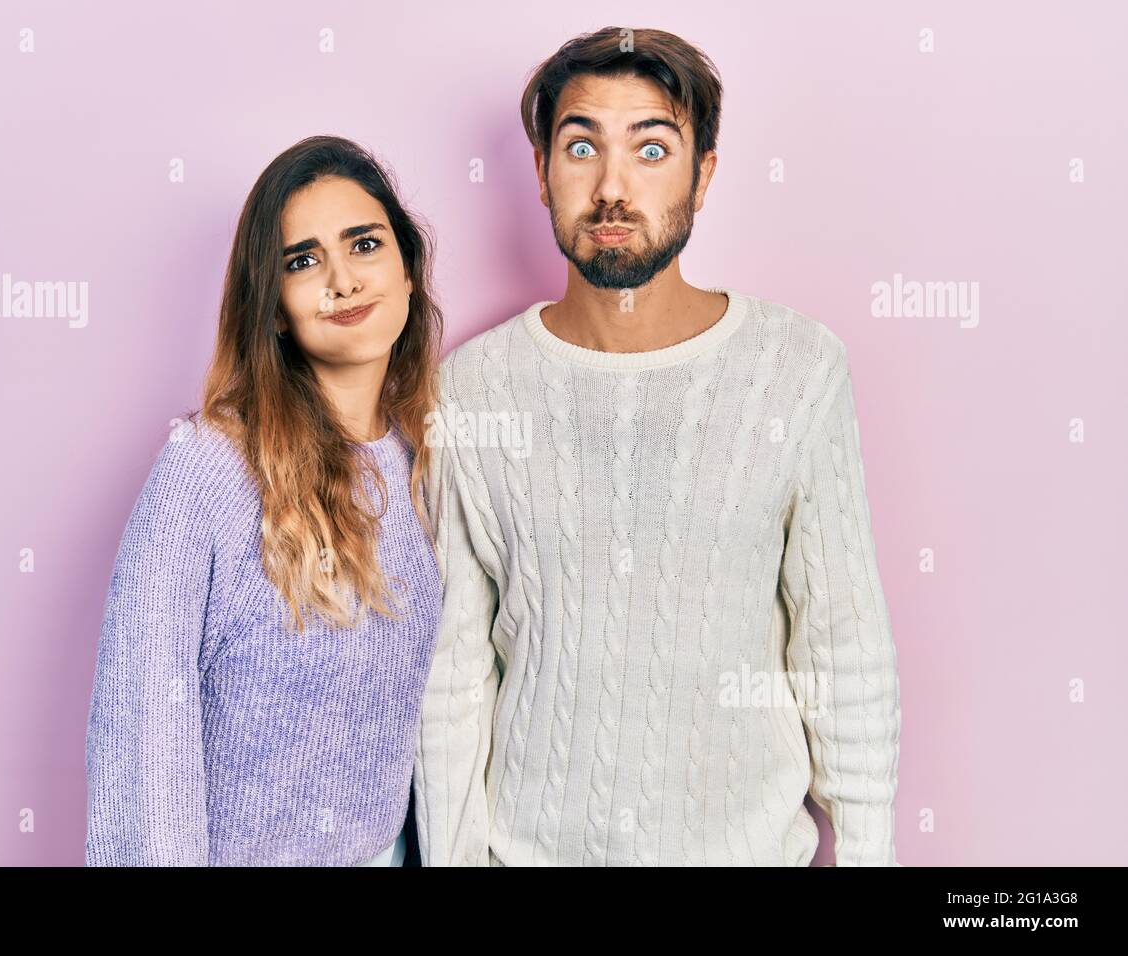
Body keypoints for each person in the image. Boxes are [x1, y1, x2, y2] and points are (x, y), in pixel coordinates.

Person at [414, 27, 902, 866]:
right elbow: (452, 681)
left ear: (703, 175)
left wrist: (869, 852)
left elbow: (842, 647)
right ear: (540, 173)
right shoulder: (473, 391)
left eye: (651, 147)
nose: (612, 187)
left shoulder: (796, 371)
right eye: (580, 148)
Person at [85, 135, 444, 866]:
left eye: (366, 244)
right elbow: (144, 732)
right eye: (302, 261)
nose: (341, 280)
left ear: (408, 272)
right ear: (275, 309)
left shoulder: (424, 468)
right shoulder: (205, 468)